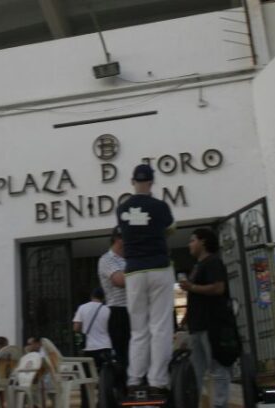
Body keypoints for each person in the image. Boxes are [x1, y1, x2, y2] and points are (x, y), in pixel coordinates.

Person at [115, 163, 176, 398]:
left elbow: (123, 232)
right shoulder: (160, 207)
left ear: (132, 182)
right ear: (151, 182)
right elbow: (171, 229)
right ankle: (157, 381)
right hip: (159, 267)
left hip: (134, 272)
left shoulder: (122, 209)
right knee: (160, 326)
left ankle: (134, 379)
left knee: (138, 329)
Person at [180, 228, 231, 408]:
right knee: (196, 373)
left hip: (212, 325)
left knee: (218, 369)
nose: (189, 244)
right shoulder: (197, 266)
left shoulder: (213, 262)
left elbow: (218, 288)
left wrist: (191, 287)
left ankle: (220, 405)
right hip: (196, 326)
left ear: (203, 242)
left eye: (192, 240)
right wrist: (185, 321)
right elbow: (195, 297)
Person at [97, 225, 130, 367]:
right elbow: (119, 280)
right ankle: (124, 386)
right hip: (119, 311)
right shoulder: (107, 259)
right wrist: (141, 275)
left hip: (135, 309)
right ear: (118, 239)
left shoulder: (129, 259)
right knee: (124, 352)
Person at [73, 287, 112, 369]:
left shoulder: (82, 308)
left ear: (91, 296)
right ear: (103, 297)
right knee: (106, 374)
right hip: (106, 347)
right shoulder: (108, 309)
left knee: (90, 375)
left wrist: (84, 329)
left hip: (90, 348)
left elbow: (76, 328)